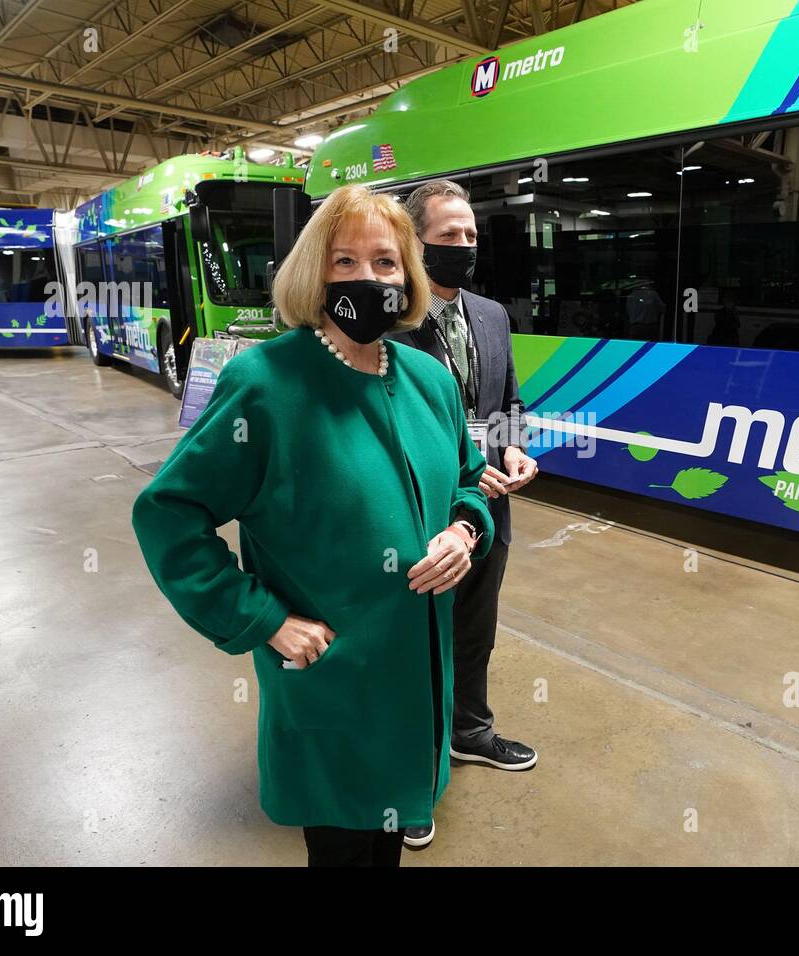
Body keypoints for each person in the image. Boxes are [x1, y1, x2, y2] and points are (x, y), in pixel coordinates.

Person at [132, 184, 494, 867]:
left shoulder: (429, 380)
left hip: (417, 679)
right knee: (345, 847)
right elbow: (169, 513)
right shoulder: (266, 383)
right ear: (312, 272)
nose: (369, 277)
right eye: (345, 261)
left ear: (408, 276)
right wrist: (261, 618)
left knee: (387, 839)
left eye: (386, 262)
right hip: (334, 680)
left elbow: (469, 481)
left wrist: (463, 533)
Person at [390, 179, 539, 849]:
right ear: (416, 241)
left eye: (471, 234)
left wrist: (517, 453)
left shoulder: (492, 315)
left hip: (491, 509)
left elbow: (508, 402)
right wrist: (453, 465)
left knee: (476, 627)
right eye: (448, 235)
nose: (464, 245)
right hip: (420, 514)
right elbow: (382, 423)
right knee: (418, 642)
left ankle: (470, 733)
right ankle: (410, 775)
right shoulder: (387, 317)